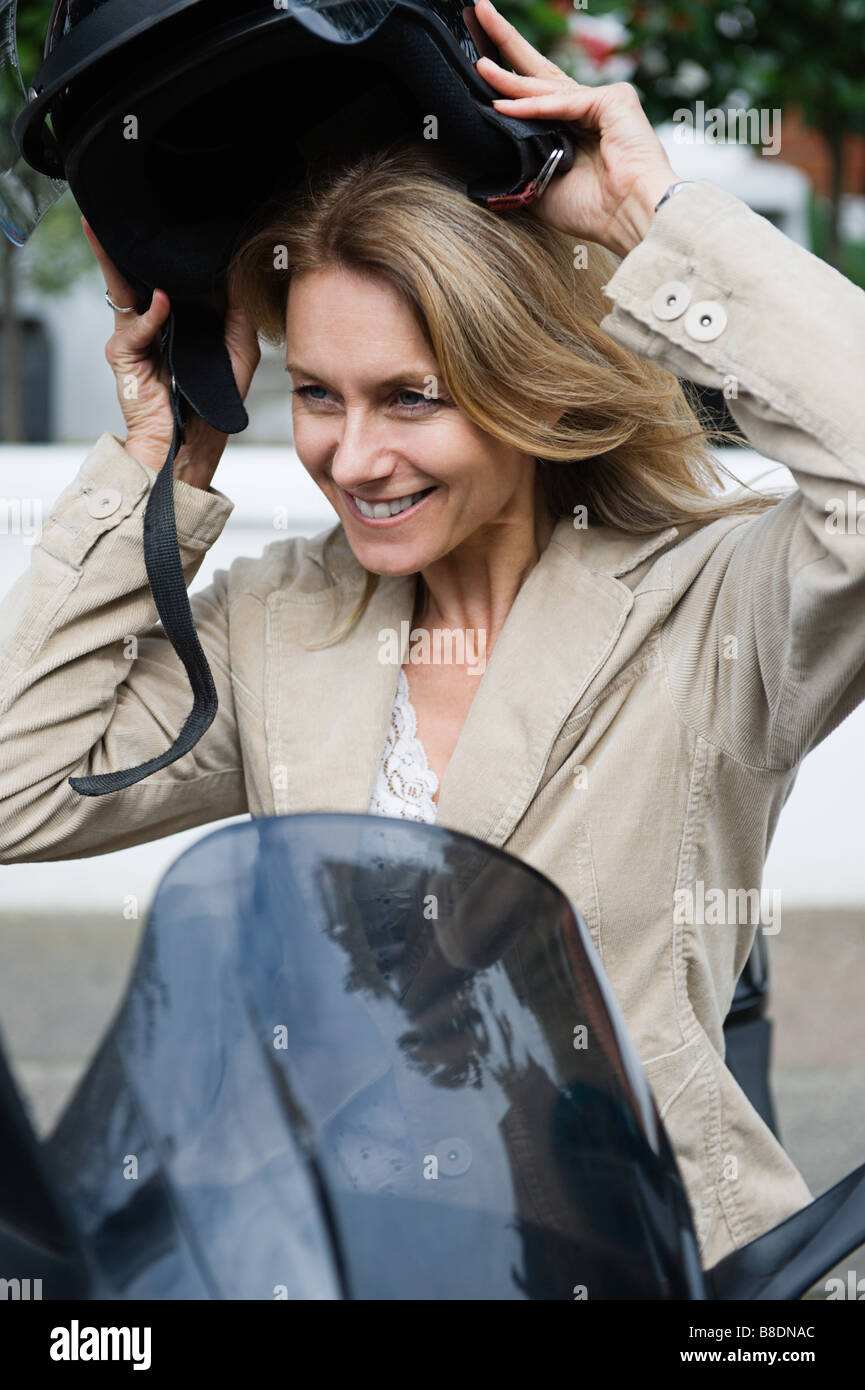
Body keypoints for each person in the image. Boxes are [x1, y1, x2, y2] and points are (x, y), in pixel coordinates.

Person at [0, 0, 863, 1271]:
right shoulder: (276, 624)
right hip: (353, 1265)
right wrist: (161, 449)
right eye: (317, 396)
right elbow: (19, 788)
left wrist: (653, 224)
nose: (354, 457)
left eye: (412, 397)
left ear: (526, 388)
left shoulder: (706, 606)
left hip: (644, 1273)